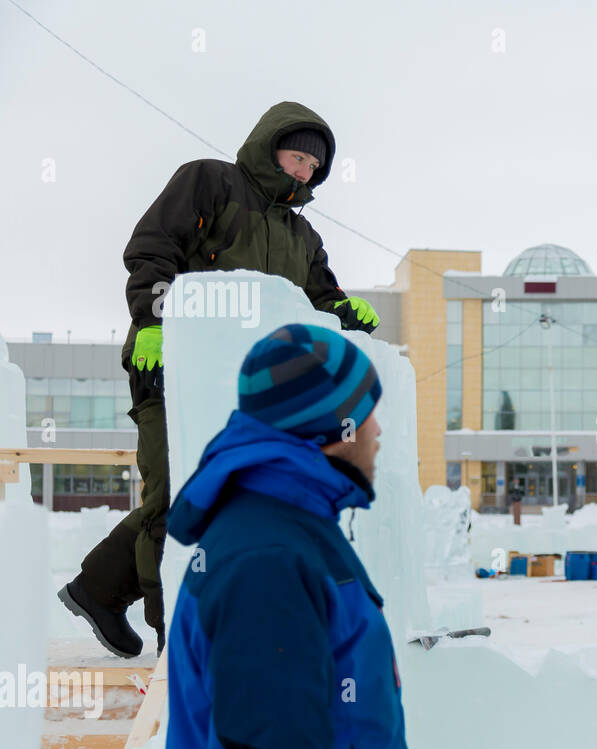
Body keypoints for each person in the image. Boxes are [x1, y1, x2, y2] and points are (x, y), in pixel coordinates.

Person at [58, 101, 382, 660]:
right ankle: (176, 653)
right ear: (269, 145)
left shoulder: (302, 235)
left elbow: (320, 302)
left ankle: (97, 590)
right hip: (170, 367)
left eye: (313, 166)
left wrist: (346, 313)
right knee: (180, 497)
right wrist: (155, 325)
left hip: (247, 393)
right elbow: (152, 249)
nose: (303, 170)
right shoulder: (209, 181)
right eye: (297, 155)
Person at [161, 323, 415, 749]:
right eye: (367, 413)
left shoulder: (286, 534)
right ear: (330, 427)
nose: (377, 431)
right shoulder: (269, 563)